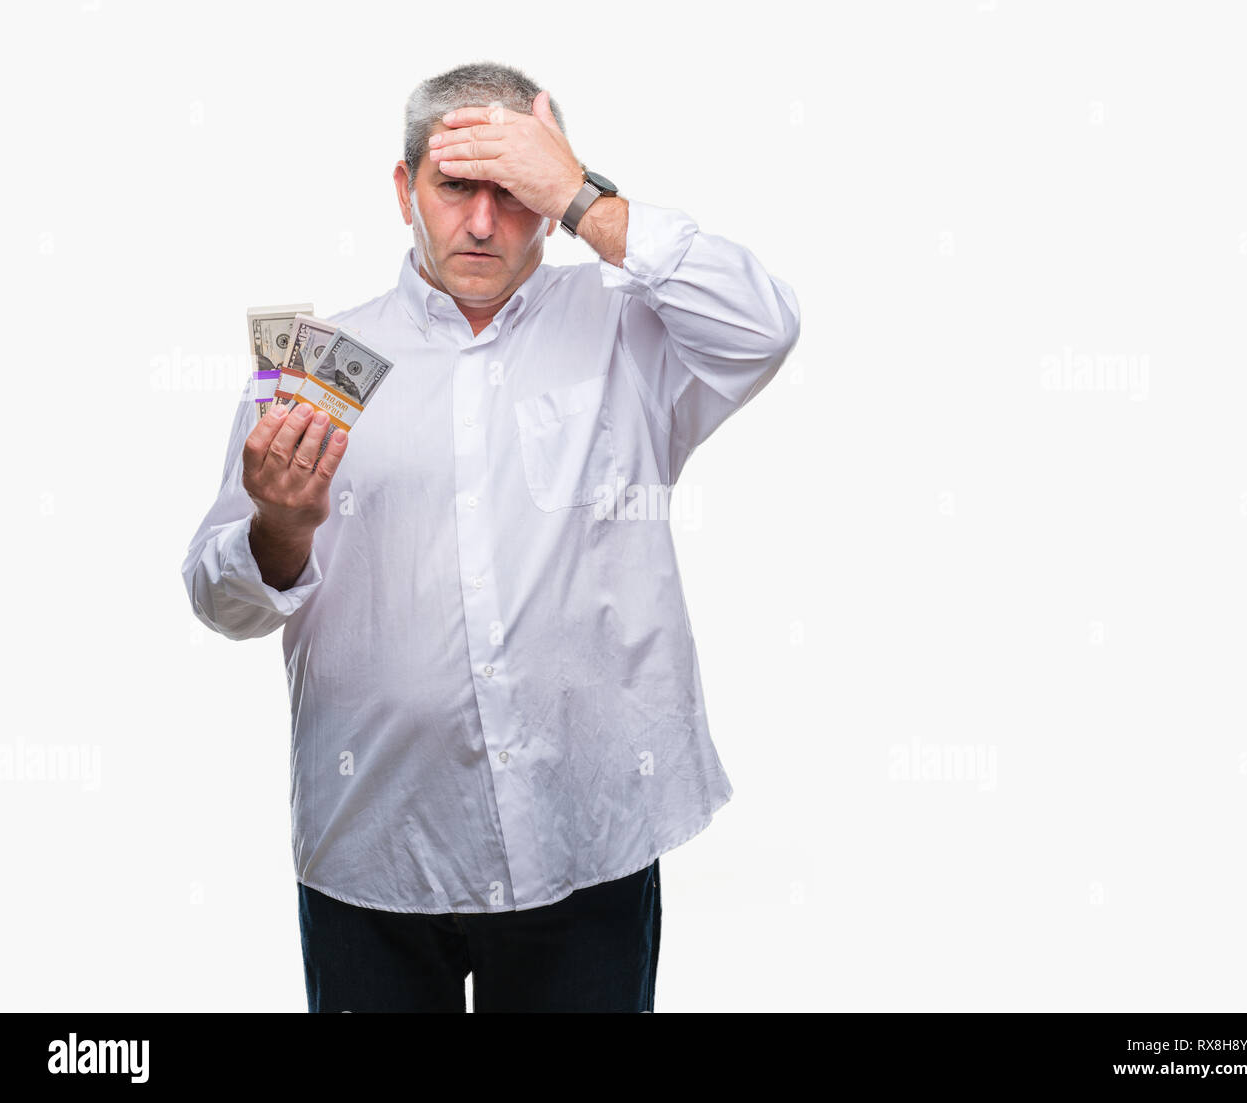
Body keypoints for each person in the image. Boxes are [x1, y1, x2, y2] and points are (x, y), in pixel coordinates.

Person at [180, 61, 801, 1013]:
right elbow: (218, 601)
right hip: (373, 856)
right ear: (404, 191)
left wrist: (585, 196)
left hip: (586, 846)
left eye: (514, 193)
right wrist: (279, 529)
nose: (482, 222)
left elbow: (763, 326)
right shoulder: (317, 369)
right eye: (455, 185)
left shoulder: (632, 335)